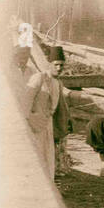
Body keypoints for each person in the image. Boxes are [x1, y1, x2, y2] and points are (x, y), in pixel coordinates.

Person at [25, 45, 71, 176]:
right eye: (56, 64)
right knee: (35, 156)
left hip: (48, 125)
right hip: (34, 124)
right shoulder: (38, 78)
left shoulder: (58, 84)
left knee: (48, 156)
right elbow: (26, 101)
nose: (59, 68)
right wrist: (30, 120)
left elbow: (58, 108)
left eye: (62, 65)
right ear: (49, 64)